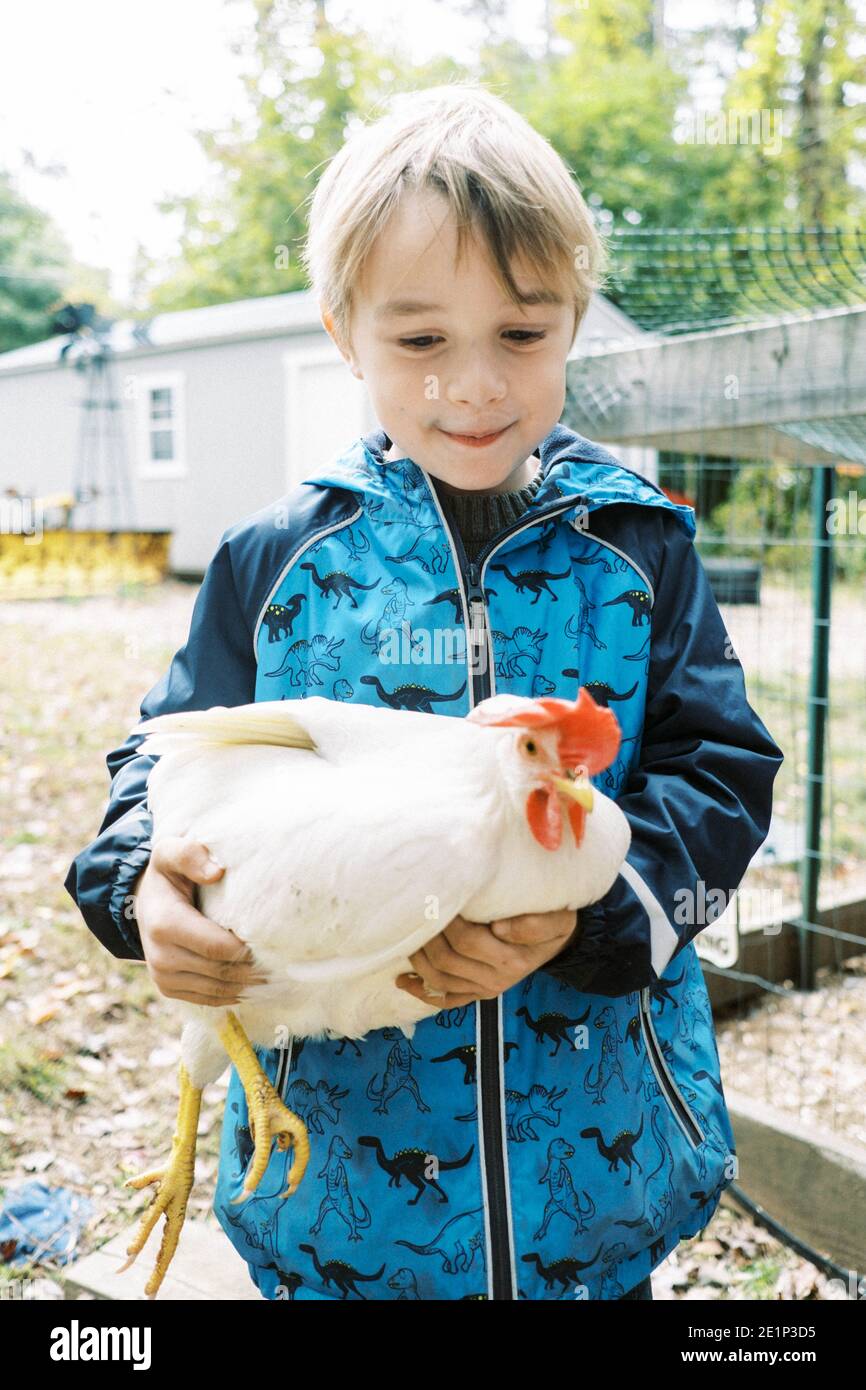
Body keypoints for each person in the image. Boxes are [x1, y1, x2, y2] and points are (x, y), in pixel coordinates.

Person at [65, 82, 783, 1301]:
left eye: (520, 332)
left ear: (571, 323)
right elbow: (159, 758)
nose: (473, 385)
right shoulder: (274, 562)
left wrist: (601, 910)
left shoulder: (639, 547)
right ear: (342, 331)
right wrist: (144, 889)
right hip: (339, 1181)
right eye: (419, 340)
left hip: (592, 1169)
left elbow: (723, 774)